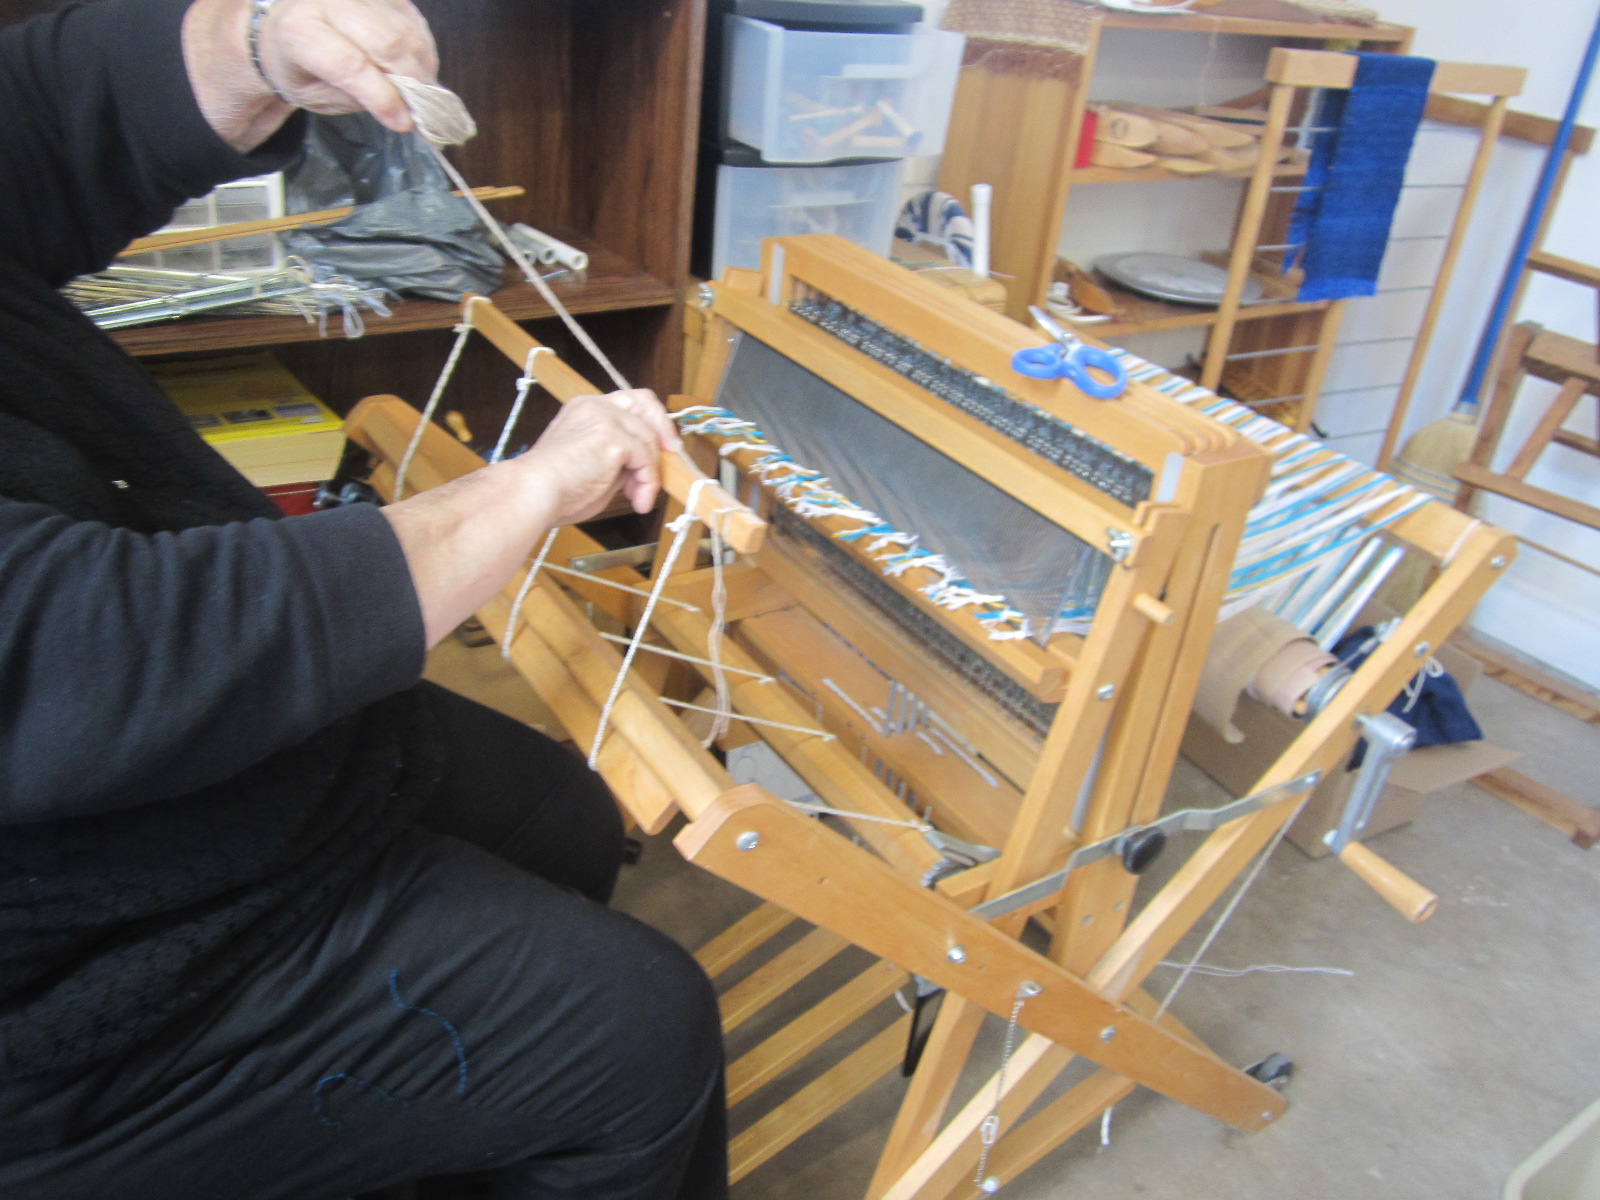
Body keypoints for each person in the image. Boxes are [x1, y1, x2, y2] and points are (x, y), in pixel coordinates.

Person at [0, 0, 727, 1196]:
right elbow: (93, 652)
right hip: (53, 978)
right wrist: (537, 486)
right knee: (641, 1035)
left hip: (140, 777)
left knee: (564, 814)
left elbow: (26, 124)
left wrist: (250, 44)